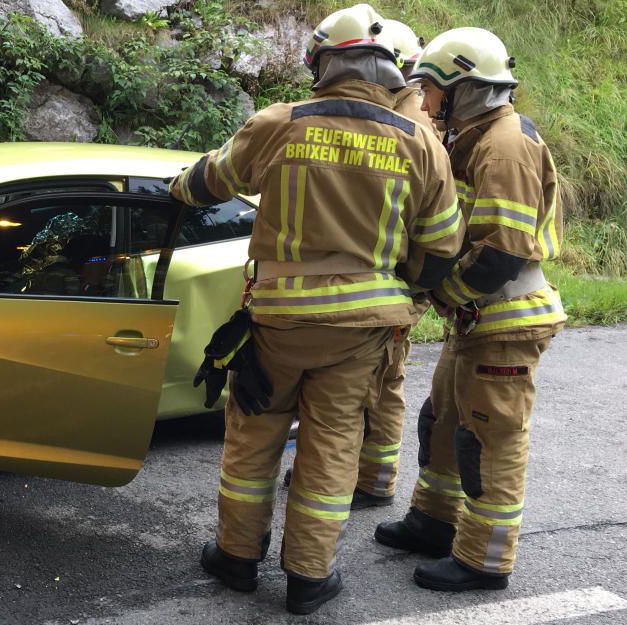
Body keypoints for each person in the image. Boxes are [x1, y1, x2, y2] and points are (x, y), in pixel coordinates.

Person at [170, 4, 463, 614]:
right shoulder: (421, 143)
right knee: (332, 445)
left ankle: (237, 558)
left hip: (278, 322)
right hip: (363, 330)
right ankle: (308, 578)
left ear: (321, 62)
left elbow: (206, 184)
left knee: (254, 437)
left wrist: (173, 186)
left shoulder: (281, 122)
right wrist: (396, 287)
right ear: (392, 70)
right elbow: (441, 248)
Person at [373, 27, 565, 592]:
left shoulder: (505, 146)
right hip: (478, 318)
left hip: (503, 317)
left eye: (432, 91)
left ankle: (484, 560)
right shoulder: (476, 137)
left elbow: (503, 249)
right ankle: (434, 523)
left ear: (466, 90)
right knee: (445, 424)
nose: (426, 102)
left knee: (489, 443)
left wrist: (440, 295)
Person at [352, 18, 435, 510]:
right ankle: (357, 468)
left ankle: (373, 480)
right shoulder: (397, 117)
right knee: (373, 379)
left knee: (381, 381)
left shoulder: (409, 126)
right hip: (389, 277)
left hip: (398, 280)